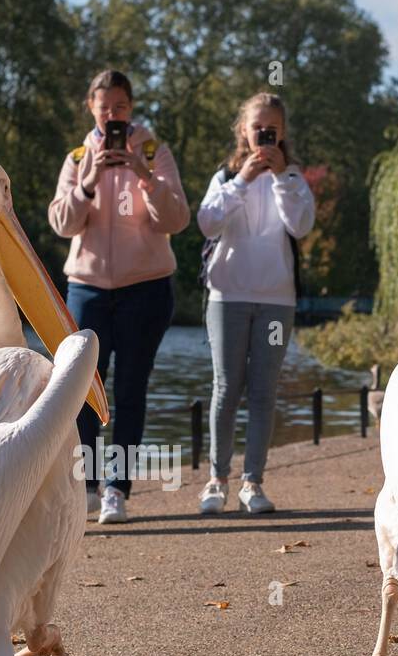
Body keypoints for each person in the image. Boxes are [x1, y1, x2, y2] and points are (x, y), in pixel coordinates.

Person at [49, 69, 190, 525]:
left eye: (121, 108)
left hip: (144, 289)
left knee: (130, 390)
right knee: (83, 390)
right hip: (87, 289)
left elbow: (176, 220)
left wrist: (144, 175)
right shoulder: (76, 157)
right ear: (91, 108)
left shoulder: (153, 150)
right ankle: (85, 486)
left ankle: (117, 489)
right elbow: (62, 224)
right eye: (105, 107)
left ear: (131, 109)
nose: (113, 116)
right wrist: (88, 181)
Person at [195, 92, 315, 515]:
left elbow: (300, 226)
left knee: (263, 393)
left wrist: (281, 178)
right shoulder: (226, 176)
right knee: (226, 388)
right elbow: (208, 223)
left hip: (276, 299)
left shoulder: (294, 177)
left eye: (273, 129)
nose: (264, 135)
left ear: (282, 133)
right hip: (227, 295)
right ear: (243, 130)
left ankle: (253, 483)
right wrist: (243, 180)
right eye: (257, 127)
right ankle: (216, 480)